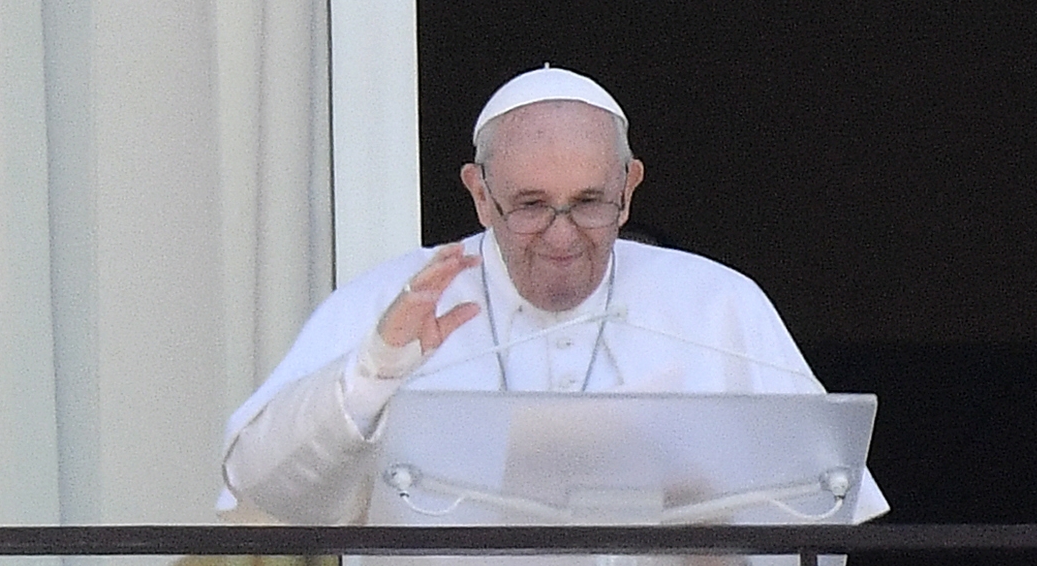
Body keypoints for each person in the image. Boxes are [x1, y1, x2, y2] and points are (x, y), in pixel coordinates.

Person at [218, 66, 888, 525]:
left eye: (589, 202)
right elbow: (267, 485)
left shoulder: (717, 304)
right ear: (480, 194)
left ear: (628, 187)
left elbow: (819, 508)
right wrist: (375, 371)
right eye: (530, 206)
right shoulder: (395, 301)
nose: (561, 236)